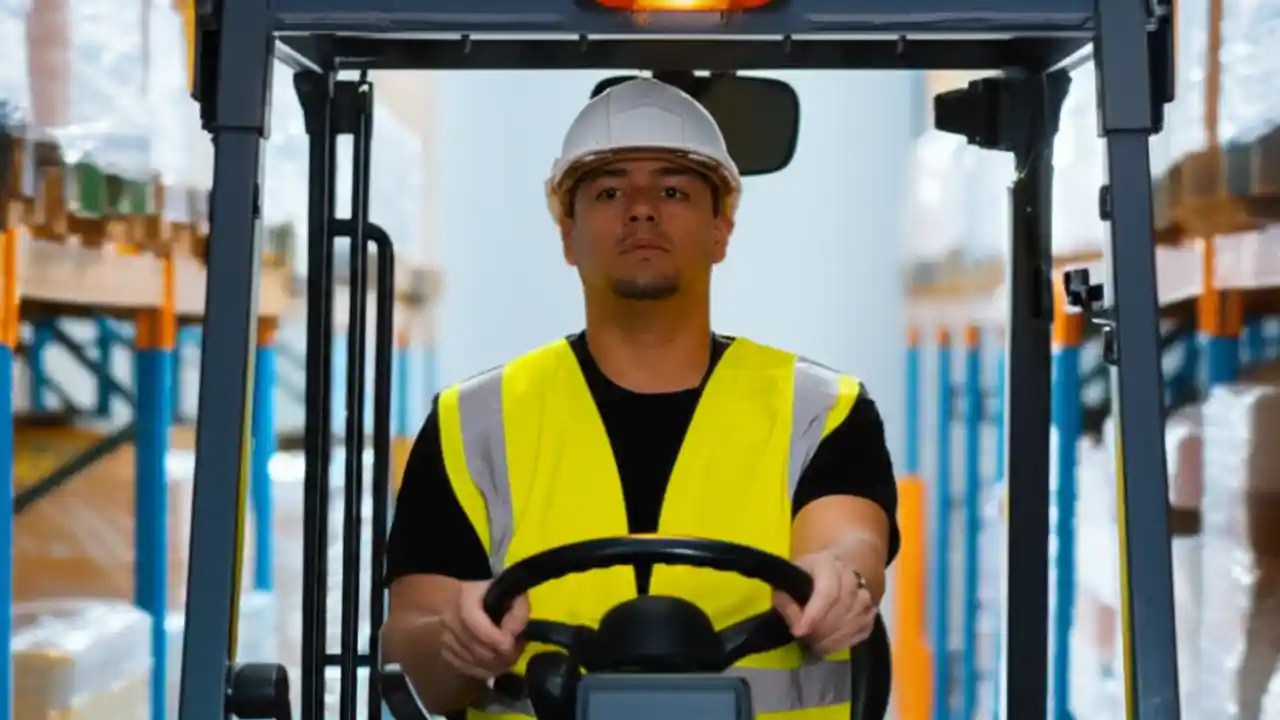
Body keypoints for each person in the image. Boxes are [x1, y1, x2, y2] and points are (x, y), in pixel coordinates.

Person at [380, 77, 900, 719]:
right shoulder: (474, 425)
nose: (642, 208)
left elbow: (847, 548)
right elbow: (412, 646)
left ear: (721, 230)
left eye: (674, 189)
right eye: (609, 190)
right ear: (568, 235)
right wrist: (455, 639)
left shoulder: (824, 411)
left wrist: (838, 587)